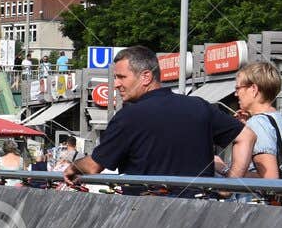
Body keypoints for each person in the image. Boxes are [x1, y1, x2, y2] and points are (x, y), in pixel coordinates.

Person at [65, 46, 243, 195]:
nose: (117, 84)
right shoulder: (199, 106)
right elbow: (246, 137)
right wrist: (230, 185)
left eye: (121, 77)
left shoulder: (128, 117)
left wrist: (73, 167)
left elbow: (93, 166)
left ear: (146, 77)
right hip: (200, 214)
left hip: (148, 216)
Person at [227, 61, 282, 188]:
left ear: (253, 89)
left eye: (238, 88)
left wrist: (225, 170)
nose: (236, 94)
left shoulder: (257, 124)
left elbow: (269, 179)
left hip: (257, 204)